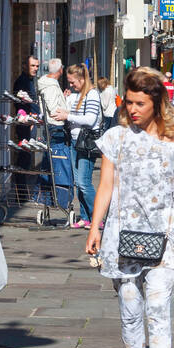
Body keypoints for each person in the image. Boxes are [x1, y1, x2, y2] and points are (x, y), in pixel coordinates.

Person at [86, 67, 174, 348]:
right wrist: (95, 229)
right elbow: (105, 186)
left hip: (162, 236)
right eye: (128, 102)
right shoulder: (115, 137)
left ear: (157, 102)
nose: (132, 109)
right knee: (130, 309)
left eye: (139, 103)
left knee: (157, 308)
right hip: (122, 237)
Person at [61, 63, 104, 228]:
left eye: (73, 82)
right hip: (75, 142)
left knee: (84, 182)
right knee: (79, 184)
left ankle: (97, 218)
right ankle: (86, 217)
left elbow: (90, 120)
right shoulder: (79, 95)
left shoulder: (92, 94)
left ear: (82, 79)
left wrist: (68, 115)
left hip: (86, 143)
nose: (71, 85)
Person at [37, 59, 74, 210]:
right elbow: (53, 109)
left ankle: (46, 199)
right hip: (55, 128)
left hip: (52, 128)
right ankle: (60, 199)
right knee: (58, 164)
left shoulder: (50, 83)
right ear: (60, 70)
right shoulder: (51, 86)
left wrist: (63, 99)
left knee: (49, 162)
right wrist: (67, 113)